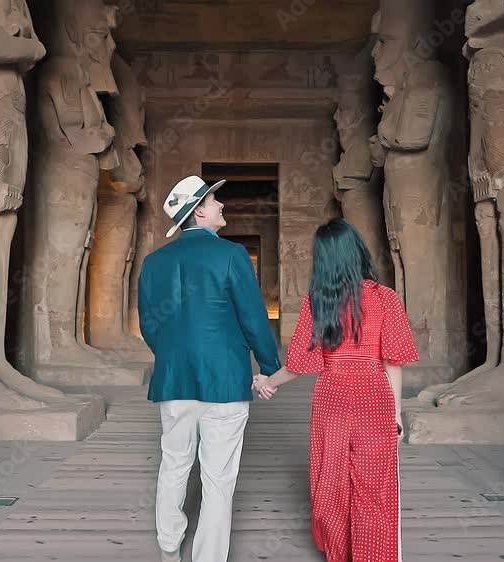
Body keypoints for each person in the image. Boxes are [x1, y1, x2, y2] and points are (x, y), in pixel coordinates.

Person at [253, 218, 419, 562]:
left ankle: (339, 554)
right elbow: (393, 361)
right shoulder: (386, 298)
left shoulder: (318, 300)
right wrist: (396, 413)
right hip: (375, 395)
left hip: (333, 397)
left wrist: (267, 382)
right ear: (358, 251)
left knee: (331, 482)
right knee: (374, 486)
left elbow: (299, 363)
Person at [138, 175, 282, 562]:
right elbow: (253, 318)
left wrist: (173, 356)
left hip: (173, 380)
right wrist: (270, 367)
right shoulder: (232, 255)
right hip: (225, 380)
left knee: (174, 463)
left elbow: (150, 326)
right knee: (218, 478)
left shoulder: (153, 262)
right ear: (199, 211)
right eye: (214, 200)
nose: (221, 205)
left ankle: (169, 546)